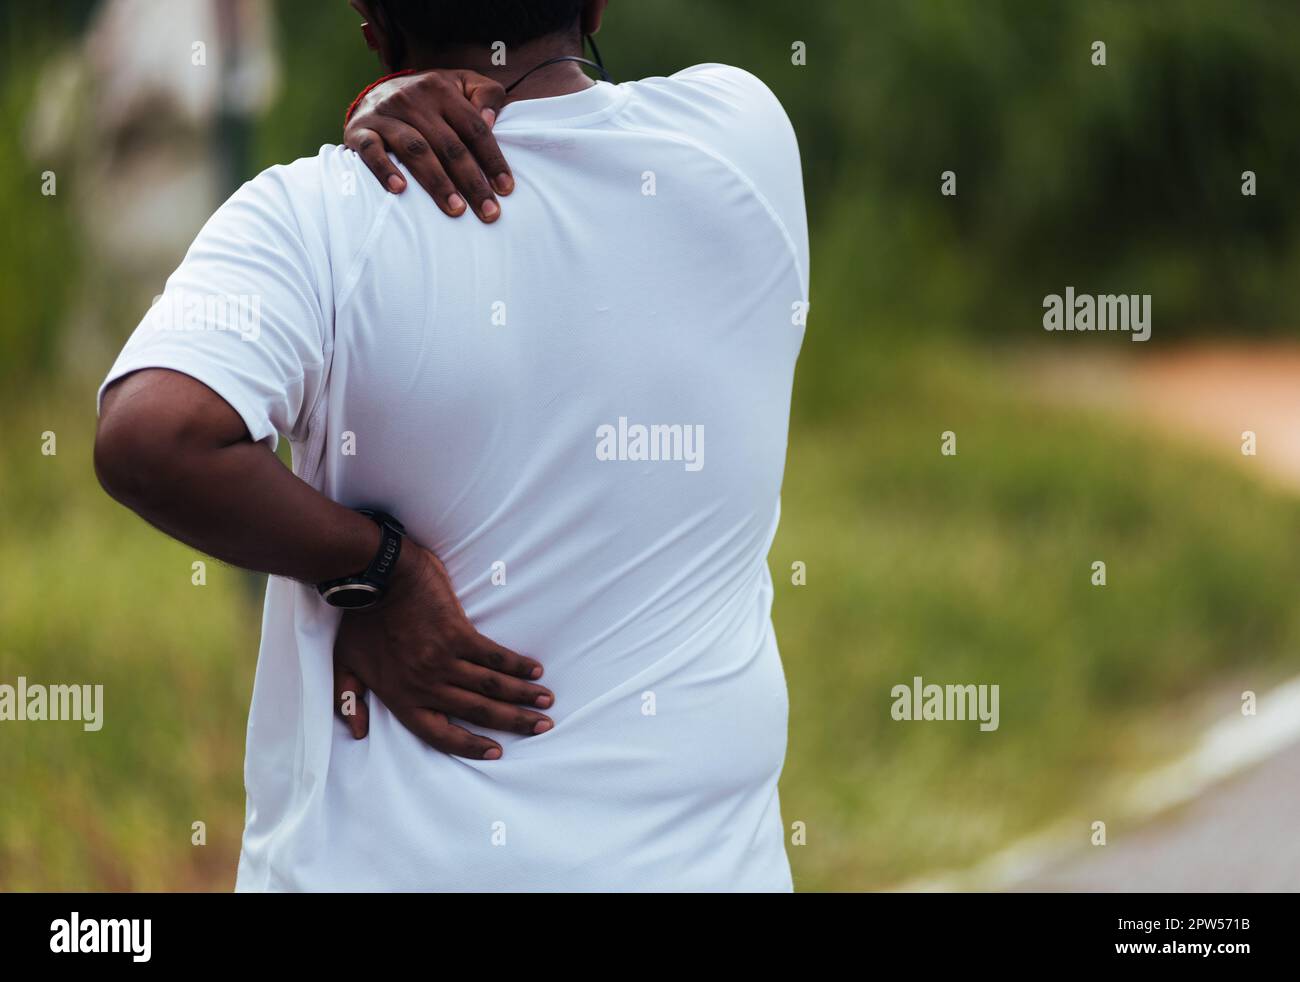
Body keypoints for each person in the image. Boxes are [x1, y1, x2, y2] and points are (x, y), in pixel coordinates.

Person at [95, 0, 809, 891]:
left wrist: (377, 571)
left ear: (371, 24)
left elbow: (150, 435)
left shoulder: (316, 218)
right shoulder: (742, 143)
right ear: (593, 5)